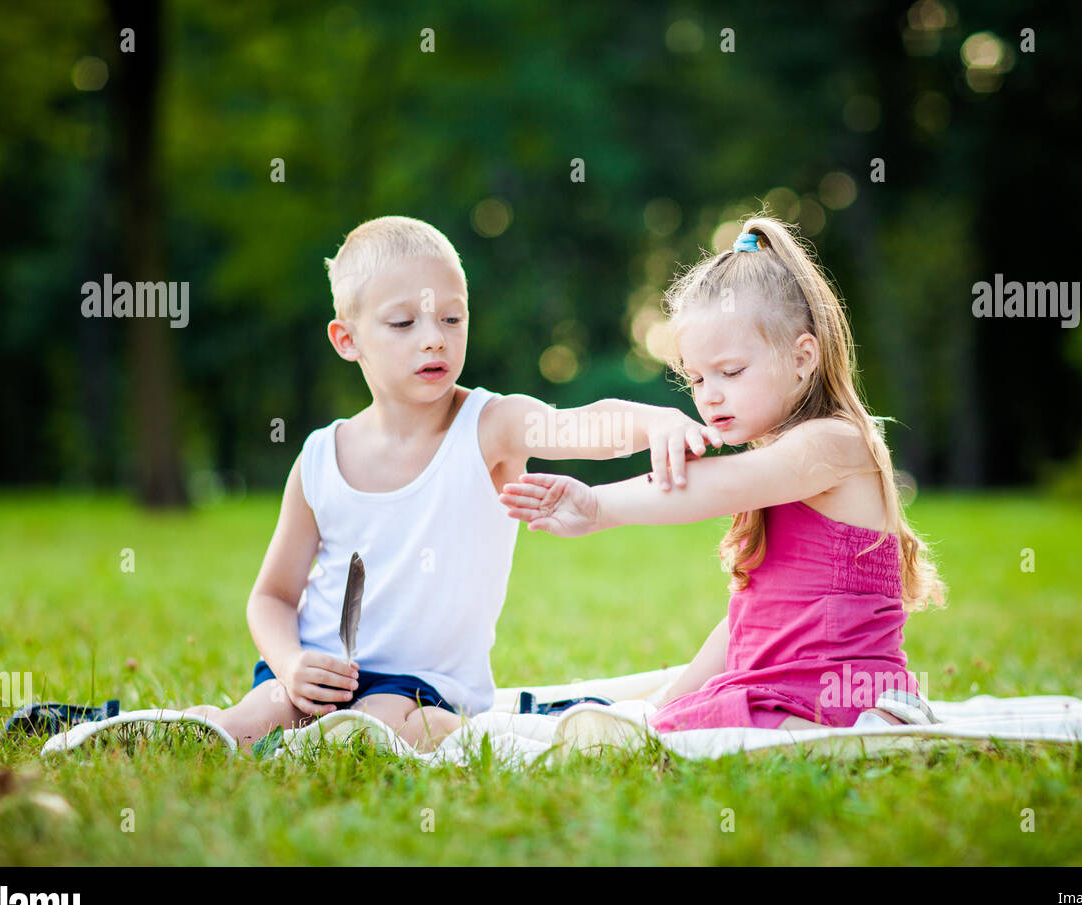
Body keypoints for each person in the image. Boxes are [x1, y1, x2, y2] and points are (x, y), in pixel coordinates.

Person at [186, 215, 720, 752]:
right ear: (347, 339)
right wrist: (291, 665)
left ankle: (471, 733)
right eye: (402, 324)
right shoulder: (320, 459)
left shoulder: (489, 427)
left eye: (451, 318)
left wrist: (656, 421)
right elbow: (272, 596)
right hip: (315, 672)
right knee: (241, 731)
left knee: (376, 733)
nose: (434, 339)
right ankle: (213, 719)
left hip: (424, 690)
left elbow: (580, 424)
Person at [499, 215, 947, 733]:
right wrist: (663, 708)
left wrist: (600, 506)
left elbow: (721, 485)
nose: (708, 394)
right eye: (694, 377)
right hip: (779, 688)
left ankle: (873, 726)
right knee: (669, 718)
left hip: (832, 691)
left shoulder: (837, 442)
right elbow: (747, 623)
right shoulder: (778, 469)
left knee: (713, 728)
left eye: (730, 372)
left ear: (803, 358)